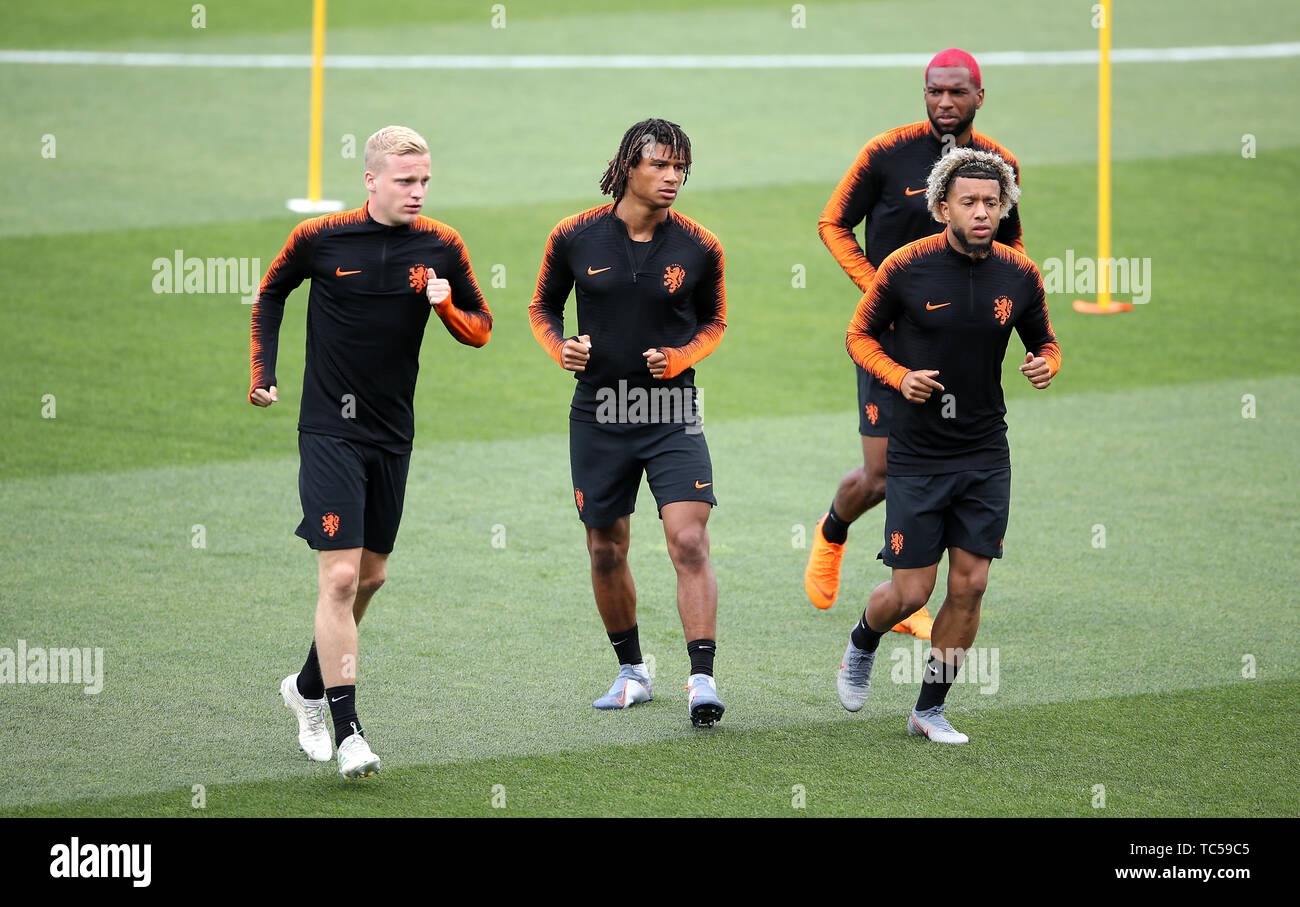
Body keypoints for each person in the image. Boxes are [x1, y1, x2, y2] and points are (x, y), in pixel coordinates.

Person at [249, 125, 492, 778]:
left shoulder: (441, 246)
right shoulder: (321, 239)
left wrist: (446, 307)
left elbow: (483, 329)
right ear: (371, 181)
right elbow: (271, 292)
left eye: (425, 182)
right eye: (405, 181)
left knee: (372, 576)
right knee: (340, 576)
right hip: (329, 429)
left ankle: (303, 685)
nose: (417, 192)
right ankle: (347, 727)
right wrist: (263, 372)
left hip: (392, 434)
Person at [836, 147, 1059, 743]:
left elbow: (1044, 340)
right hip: (917, 452)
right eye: (969, 202)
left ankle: (928, 709)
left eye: (992, 202)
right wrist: (897, 376)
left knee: (971, 584)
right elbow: (859, 336)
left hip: (986, 450)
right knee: (913, 590)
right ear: (942, 207)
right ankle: (863, 639)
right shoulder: (906, 268)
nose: (982, 212)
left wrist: (1046, 363)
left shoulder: (1019, 273)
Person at [806, 48, 1024, 641]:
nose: (945, 103)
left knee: (945, 464)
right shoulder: (885, 153)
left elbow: (1013, 248)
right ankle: (833, 533)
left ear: (980, 95)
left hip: (958, 349)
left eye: (957, 92)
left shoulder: (999, 165)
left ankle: (908, 591)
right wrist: (874, 283)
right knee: (880, 477)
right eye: (934, 92)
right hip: (889, 341)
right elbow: (833, 222)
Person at [528, 118, 728, 727]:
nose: (672, 178)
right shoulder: (574, 236)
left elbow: (714, 324)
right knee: (605, 549)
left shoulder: (700, 247)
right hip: (599, 413)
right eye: (660, 166)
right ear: (628, 168)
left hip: (670, 414)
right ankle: (633, 672)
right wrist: (561, 348)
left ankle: (701, 681)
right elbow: (542, 306)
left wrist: (679, 358)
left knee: (688, 540)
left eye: (680, 168)